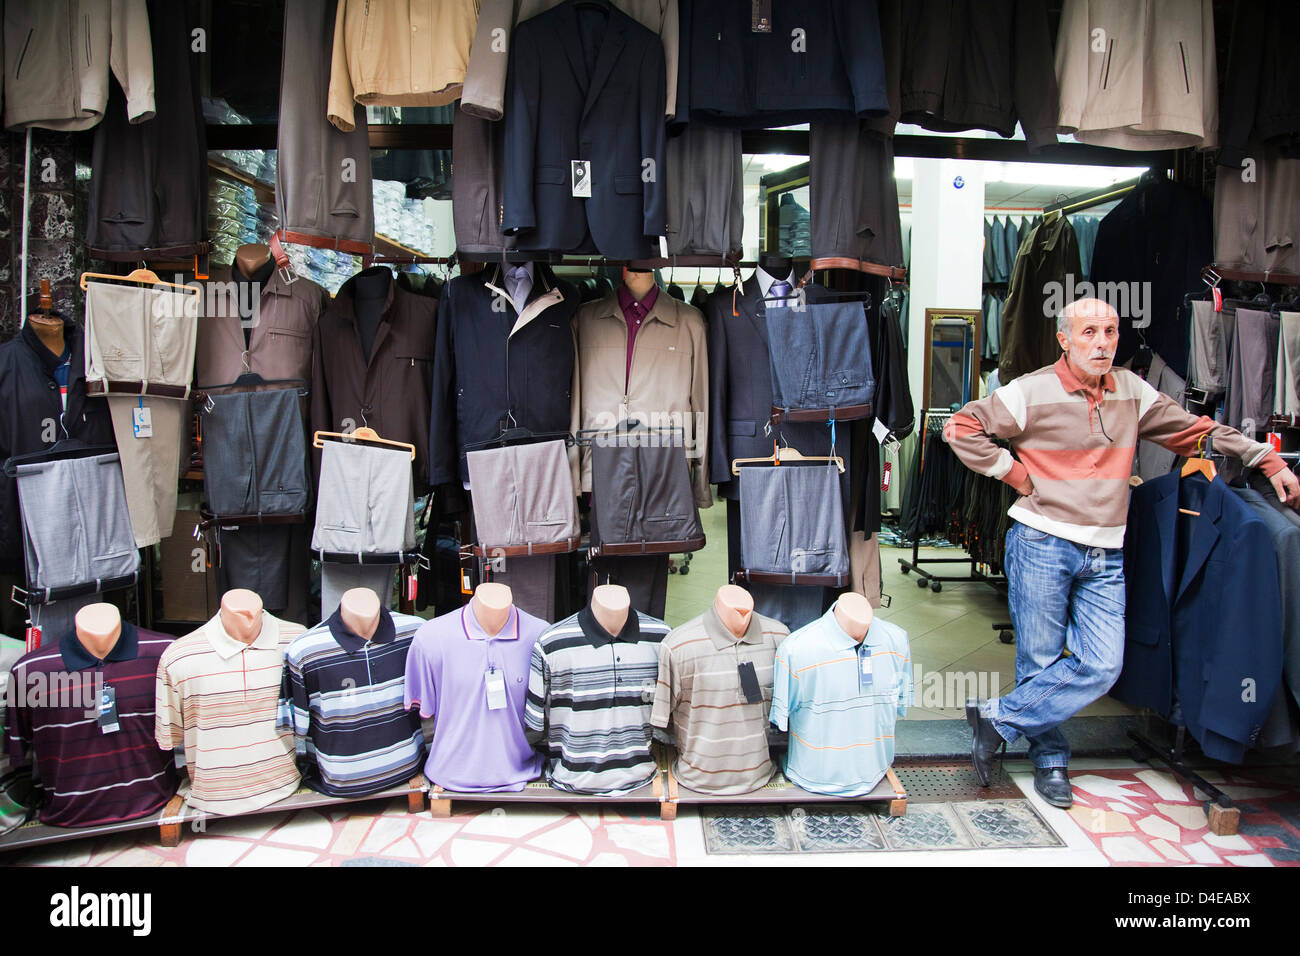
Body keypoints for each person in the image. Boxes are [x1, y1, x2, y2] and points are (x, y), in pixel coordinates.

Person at [943, 298, 1300, 808]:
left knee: (1105, 664)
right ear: (1064, 340)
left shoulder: (1132, 391)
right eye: (1089, 331)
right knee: (1040, 661)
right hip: (1042, 539)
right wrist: (1016, 474)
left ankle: (997, 719)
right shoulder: (1031, 390)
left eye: (1110, 331)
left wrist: (1265, 458)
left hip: (1106, 548)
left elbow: (1195, 431)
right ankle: (1050, 759)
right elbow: (960, 427)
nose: (1103, 342)